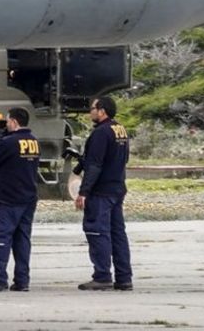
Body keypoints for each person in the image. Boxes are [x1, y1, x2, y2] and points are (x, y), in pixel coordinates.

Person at [0, 108, 39, 292]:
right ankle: (22, 280)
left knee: (2, 237)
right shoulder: (34, 141)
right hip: (29, 196)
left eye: (8, 121)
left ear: (14, 122)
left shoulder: (10, 142)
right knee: (22, 239)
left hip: (10, 197)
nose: (6, 124)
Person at [75, 96, 133, 291]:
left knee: (97, 231)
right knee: (117, 233)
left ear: (102, 111)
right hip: (117, 187)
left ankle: (102, 275)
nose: (90, 112)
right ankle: (124, 277)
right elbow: (122, 158)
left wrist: (83, 191)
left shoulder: (100, 133)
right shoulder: (120, 130)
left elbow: (95, 165)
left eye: (92, 108)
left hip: (101, 191)